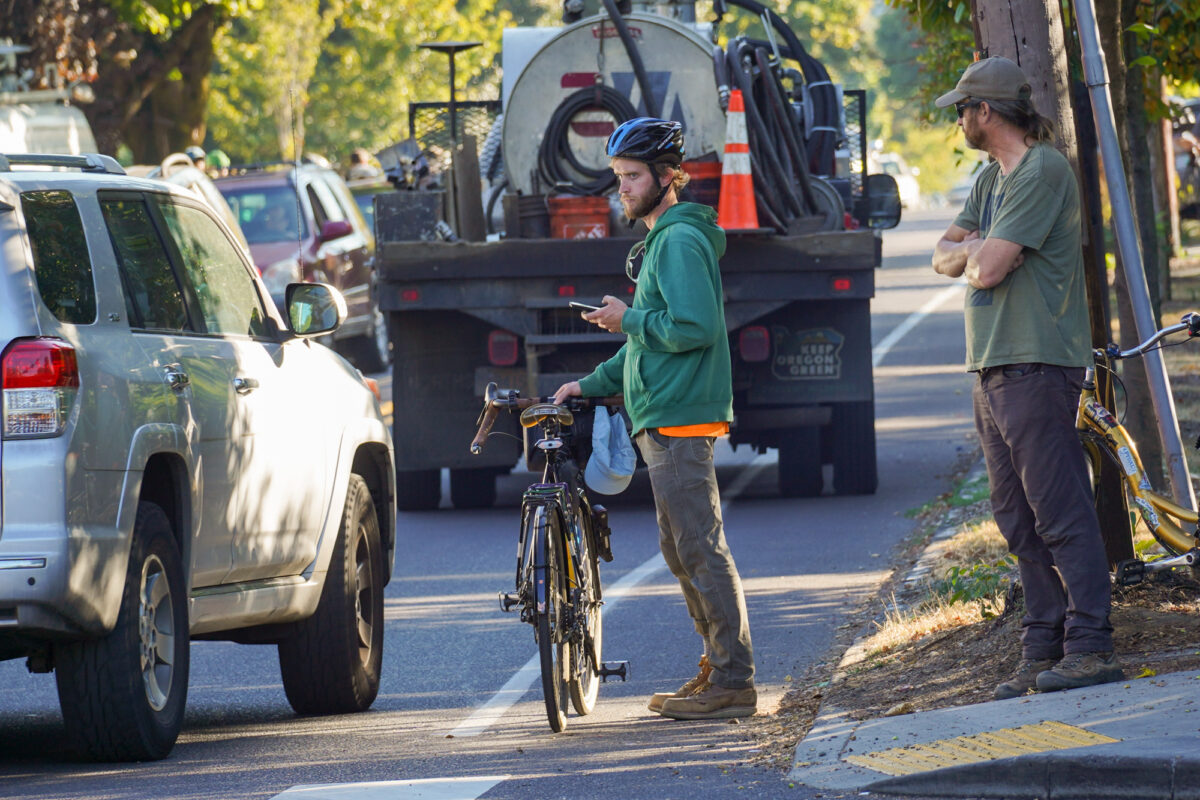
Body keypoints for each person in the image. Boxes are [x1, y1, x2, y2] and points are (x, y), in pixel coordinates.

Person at [931, 56, 1124, 700]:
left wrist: (979, 255)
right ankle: (1041, 644)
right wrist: (977, 249)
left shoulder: (1040, 170)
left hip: (1036, 363)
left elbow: (983, 271)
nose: (958, 119)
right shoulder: (993, 179)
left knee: (1059, 508)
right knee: (1015, 516)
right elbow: (946, 257)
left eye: (962, 109)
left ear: (986, 112)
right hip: (992, 365)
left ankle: (1090, 644)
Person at [552, 117, 756, 720]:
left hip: (681, 420)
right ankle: (717, 669)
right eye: (618, 177)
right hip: (661, 420)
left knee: (699, 548)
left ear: (668, 178)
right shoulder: (663, 240)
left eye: (633, 176)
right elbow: (647, 345)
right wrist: (586, 384)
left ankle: (733, 680)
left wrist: (629, 319)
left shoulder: (680, 241)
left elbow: (693, 329)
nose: (623, 188)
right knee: (682, 548)